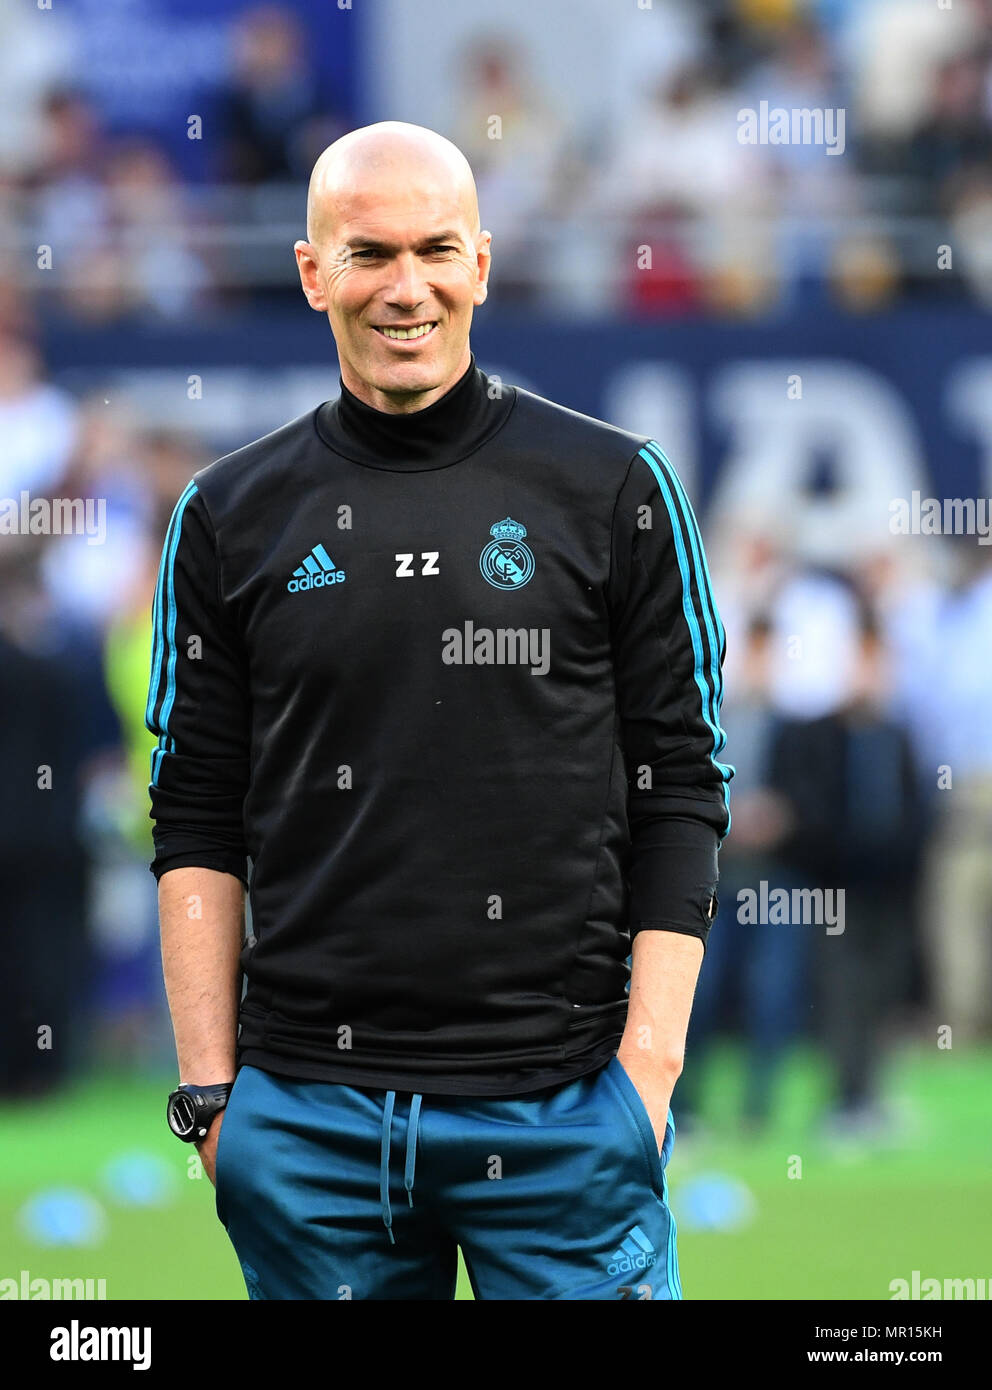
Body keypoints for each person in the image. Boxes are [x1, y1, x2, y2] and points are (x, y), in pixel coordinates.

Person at [147, 121, 732, 1301]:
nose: (403, 289)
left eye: (434, 251)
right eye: (367, 254)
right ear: (313, 273)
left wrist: (646, 1075)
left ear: (481, 263)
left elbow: (679, 777)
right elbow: (195, 811)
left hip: (567, 1108)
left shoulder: (613, 486)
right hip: (310, 1123)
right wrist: (214, 1098)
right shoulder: (228, 514)